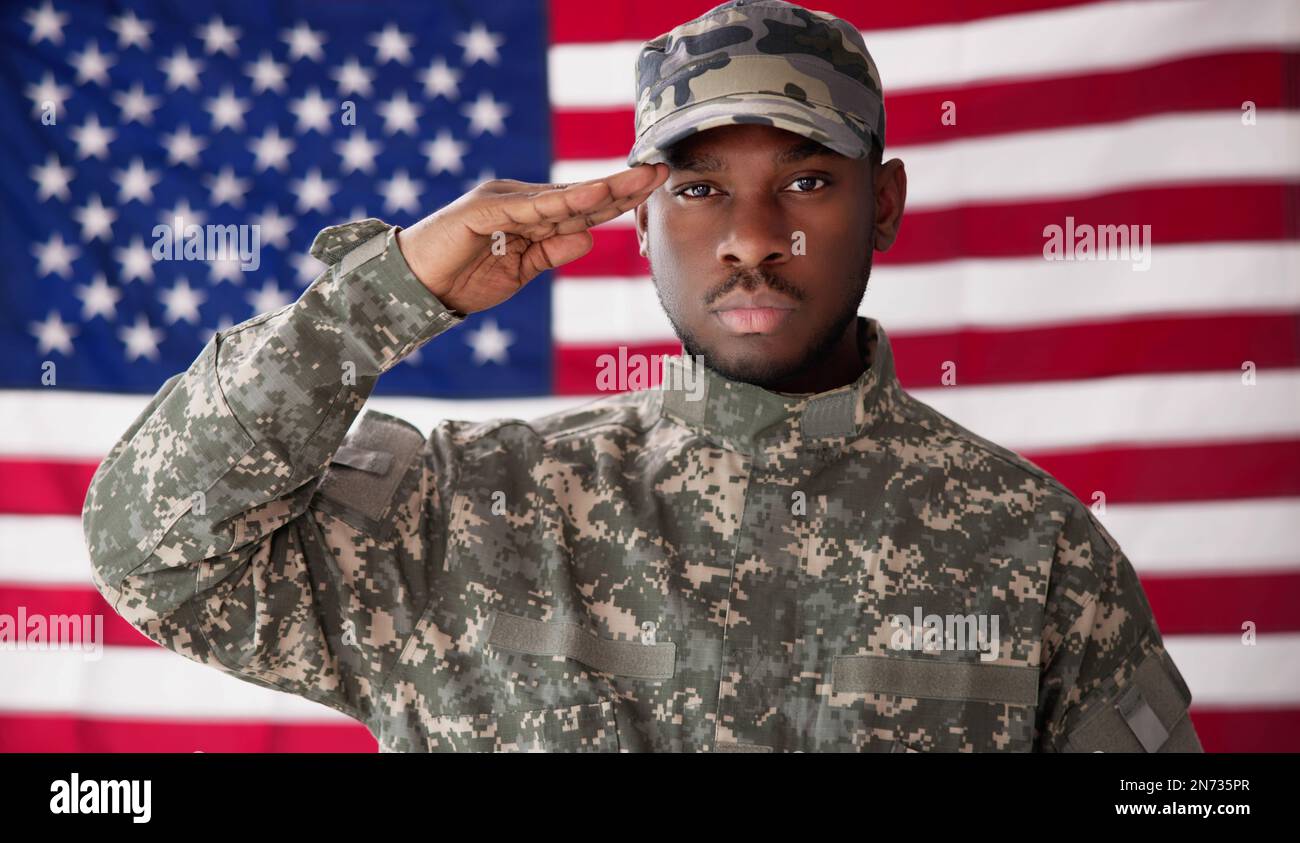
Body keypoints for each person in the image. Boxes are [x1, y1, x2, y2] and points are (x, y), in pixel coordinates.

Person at [83, 0, 1202, 752]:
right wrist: (384, 298)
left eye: (807, 183)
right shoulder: (465, 512)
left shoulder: (1033, 549)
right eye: (700, 189)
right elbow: (157, 551)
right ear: (639, 216)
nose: (751, 238)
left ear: (887, 203)